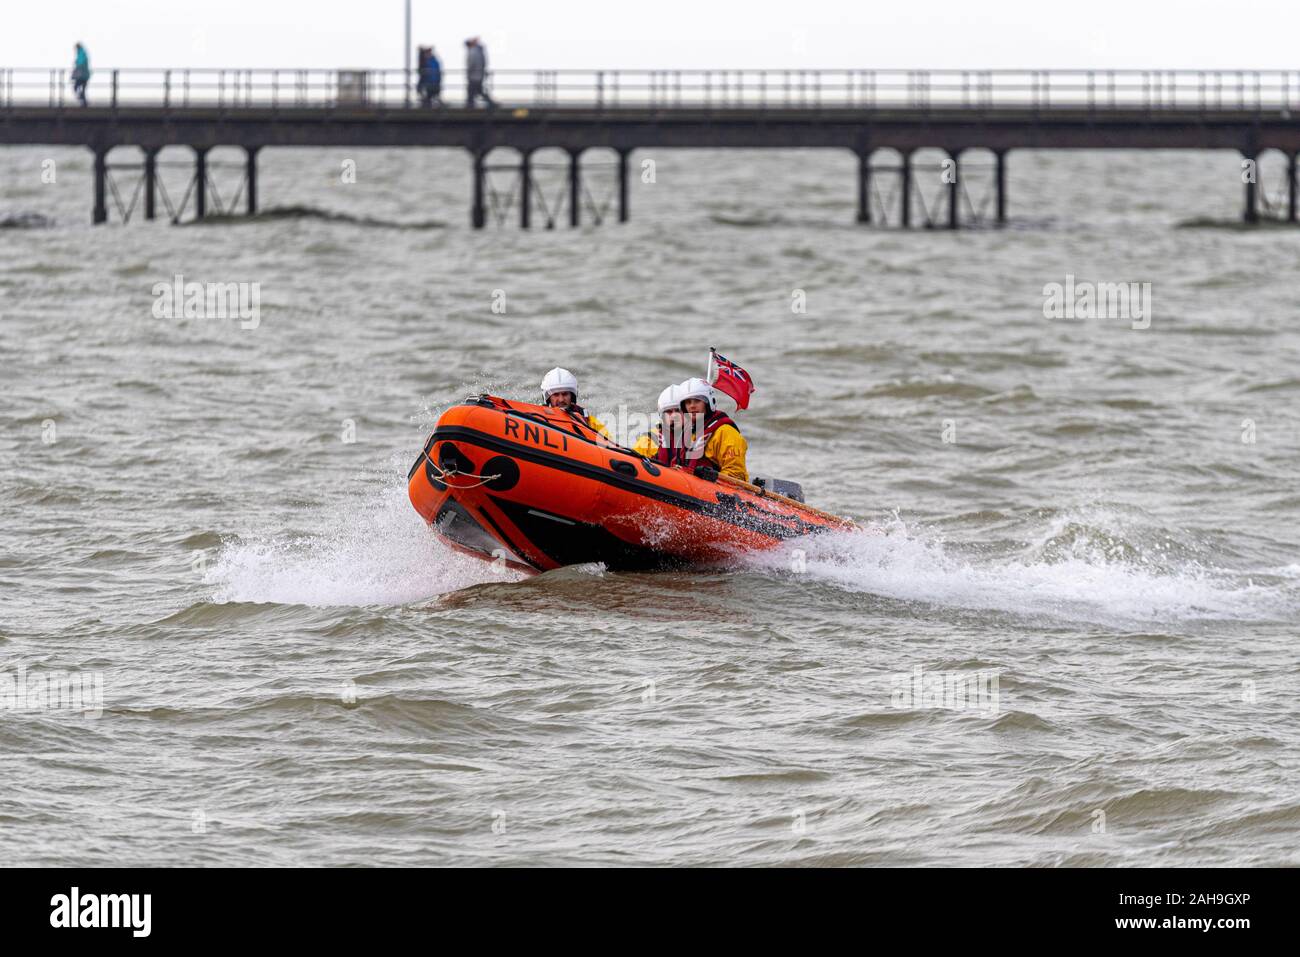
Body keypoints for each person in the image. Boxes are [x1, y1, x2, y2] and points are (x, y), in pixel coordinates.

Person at [679, 377, 749, 481]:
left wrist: (710, 478)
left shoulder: (725, 432)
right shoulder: (688, 433)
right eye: (688, 402)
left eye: (697, 401)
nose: (692, 406)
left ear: (708, 403)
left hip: (715, 487)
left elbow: (736, 473)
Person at [540, 367, 610, 438]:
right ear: (548, 398)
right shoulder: (539, 416)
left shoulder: (587, 420)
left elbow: (607, 440)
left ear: (572, 396)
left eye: (565, 394)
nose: (561, 399)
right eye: (556, 395)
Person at [633, 384, 690, 465]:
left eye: (678, 410)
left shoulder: (698, 438)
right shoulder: (648, 441)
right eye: (669, 412)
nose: (674, 415)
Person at [464, 37, 495, 108]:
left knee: (472, 90)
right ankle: (471, 104)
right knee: (478, 90)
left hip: (474, 75)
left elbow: (471, 64)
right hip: (479, 74)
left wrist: (469, 73)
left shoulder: (473, 52)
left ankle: (470, 105)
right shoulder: (478, 51)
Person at [71, 43, 90, 107]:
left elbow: (81, 62)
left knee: (76, 87)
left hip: (82, 75)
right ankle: (84, 103)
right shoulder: (82, 53)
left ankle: (82, 98)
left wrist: (76, 63)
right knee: (82, 89)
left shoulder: (81, 53)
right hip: (85, 75)